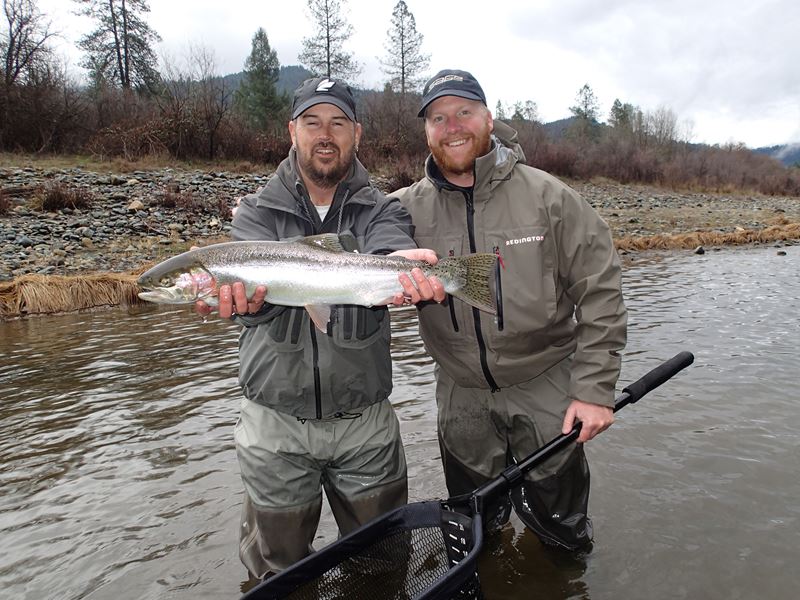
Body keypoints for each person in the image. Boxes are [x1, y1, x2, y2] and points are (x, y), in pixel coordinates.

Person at [196, 76, 444, 579]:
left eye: (337, 123)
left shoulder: (382, 208)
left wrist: (398, 269)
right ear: (293, 131)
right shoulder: (255, 214)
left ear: (357, 133)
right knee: (278, 573)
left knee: (383, 564)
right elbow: (260, 306)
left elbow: (388, 247)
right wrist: (247, 305)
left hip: (365, 423)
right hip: (274, 428)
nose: (324, 134)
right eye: (312, 122)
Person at [390, 69, 628, 551]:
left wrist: (596, 389)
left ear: (489, 119)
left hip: (547, 386)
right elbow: (339, 247)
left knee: (561, 526)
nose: (452, 125)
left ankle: (563, 570)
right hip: (460, 394)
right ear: (426, 131)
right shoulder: (399, 211)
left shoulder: (550, 197)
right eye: (438, 117)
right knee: (477, 528)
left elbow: (601, 290)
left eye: (464, 112)